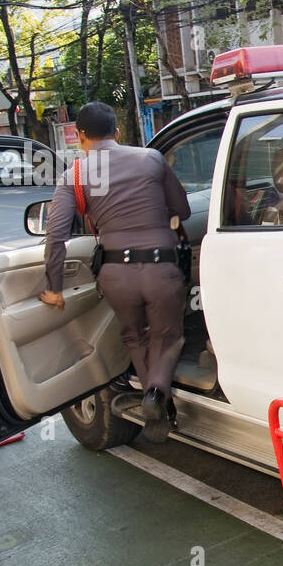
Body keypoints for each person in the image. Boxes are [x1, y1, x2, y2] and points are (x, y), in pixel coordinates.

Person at [39, 102, 191, 442]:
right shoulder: (151, 158)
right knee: (167, 335)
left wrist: (54, 288)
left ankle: (156, 402)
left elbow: (56, 236)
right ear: (117, 132)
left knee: (134, 336)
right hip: (161, 267)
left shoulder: (74, 175)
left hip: (114, 274)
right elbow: (182, 209)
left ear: (79, 135)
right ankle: (157, 392)